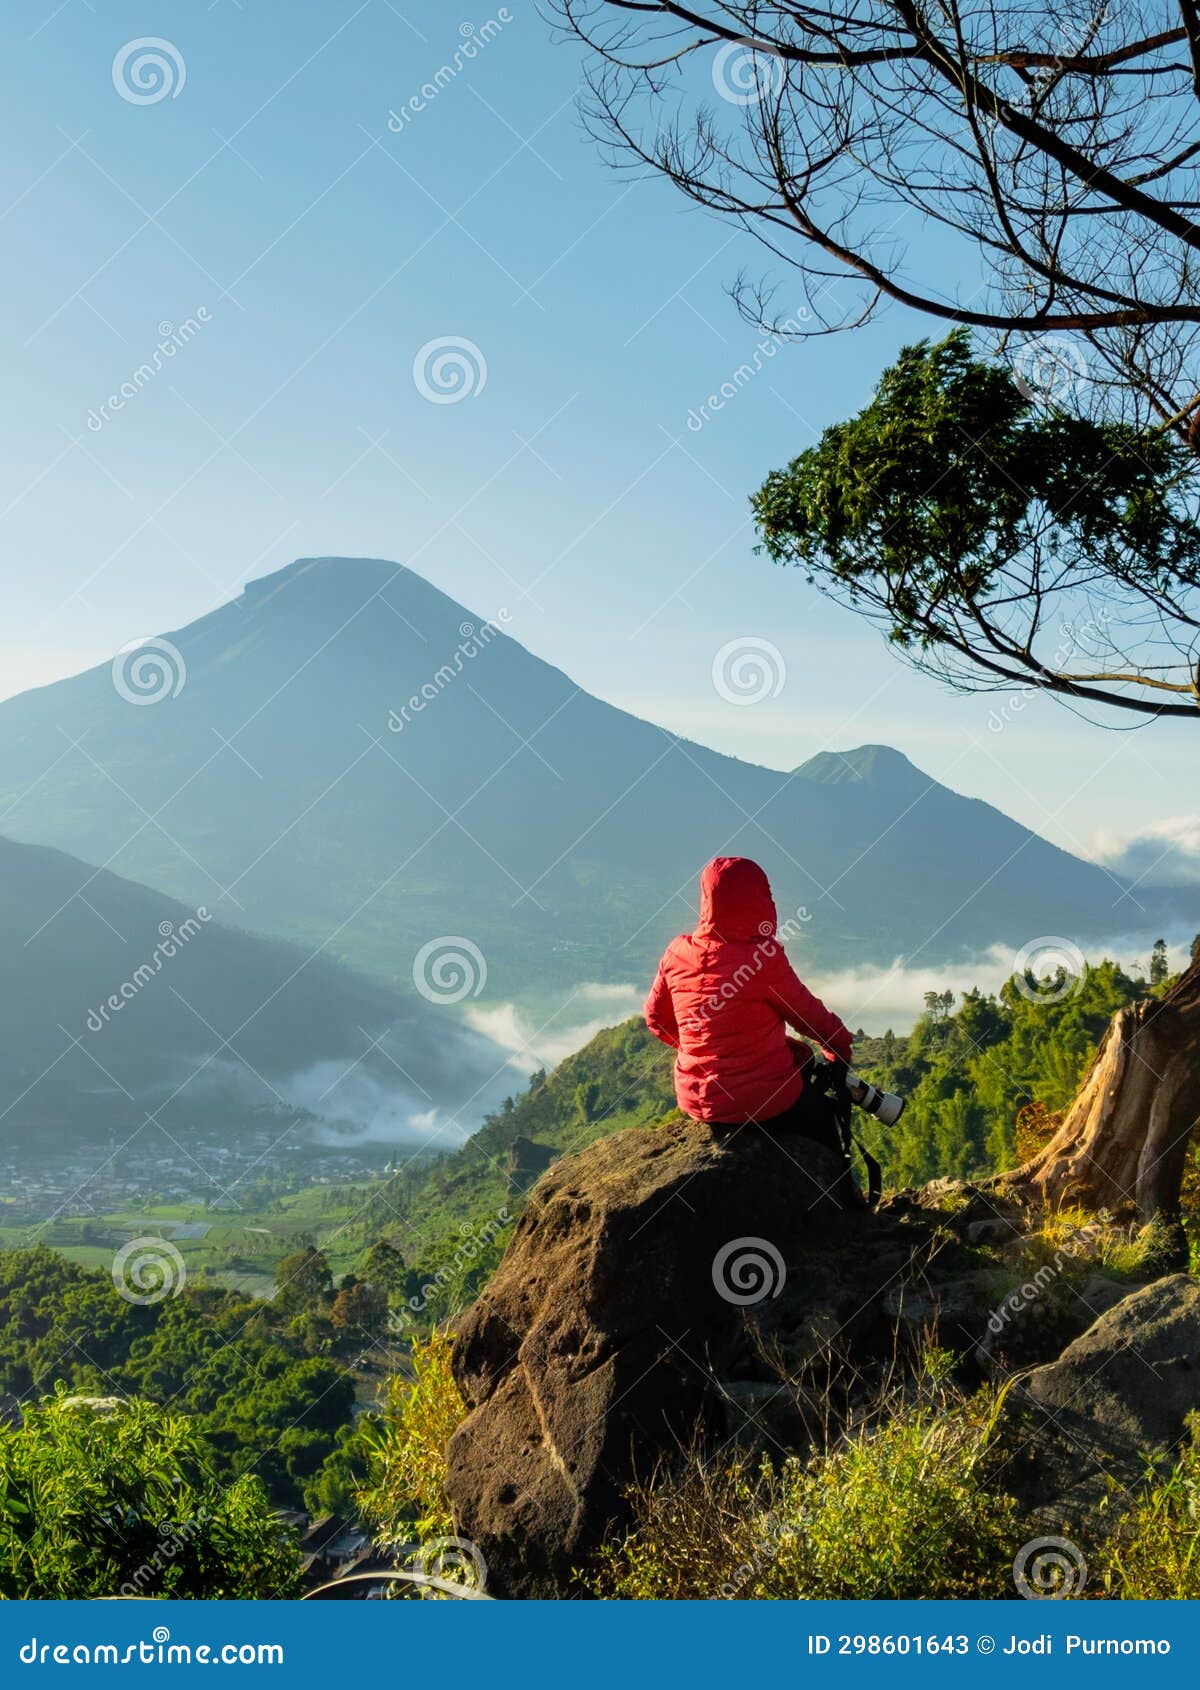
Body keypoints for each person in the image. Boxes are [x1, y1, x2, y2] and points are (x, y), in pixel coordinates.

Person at [644, 855, 853, 1167]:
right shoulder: (761, 959)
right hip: (759, 1099)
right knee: (823, 1118)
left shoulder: (677, 952)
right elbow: (810, 1017)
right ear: (758, 900)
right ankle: (843, 1204)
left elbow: (656, 1019)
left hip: (694, 1099)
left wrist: (697, 1050)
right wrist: (839, 1053)